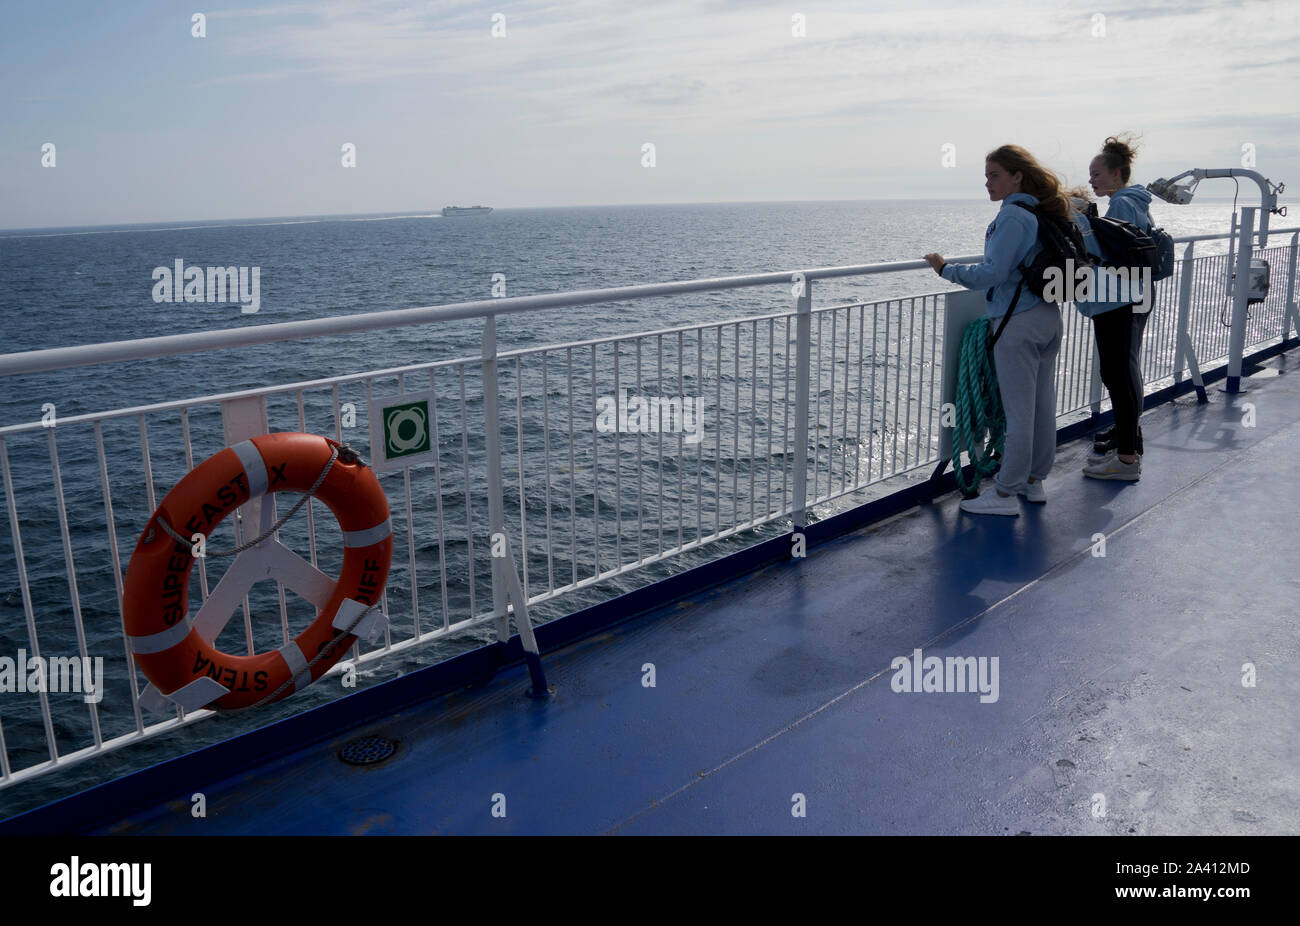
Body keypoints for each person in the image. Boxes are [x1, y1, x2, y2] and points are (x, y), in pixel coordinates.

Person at [923, 144, 1066, 515]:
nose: (987, 183)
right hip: (1047, 316)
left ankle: (1004, 495)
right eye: (986, 175)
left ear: (1017, 176)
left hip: (1018, 321)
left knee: (1019, 412)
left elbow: (993, 273)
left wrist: (946, 270)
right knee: (1040, 407)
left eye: (994, 175)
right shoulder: (1041, 212)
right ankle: (1034, 482)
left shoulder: (1014, 217)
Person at [1084, 134, 1155, 477]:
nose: (1091, 180)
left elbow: (1112, 255)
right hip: (1139, 293)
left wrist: (1082, 226)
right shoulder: (1137, 200)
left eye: (1097, 174)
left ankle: (1127, 458)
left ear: (1116, 174)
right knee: (1126, 370)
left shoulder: (1122, 204)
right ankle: (1130, 438)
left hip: (1121, 297)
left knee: (1116, 373)